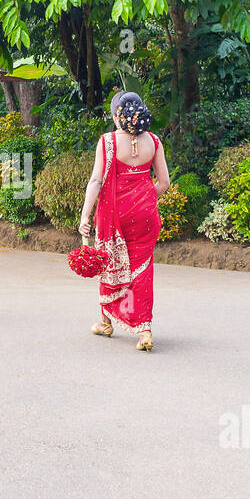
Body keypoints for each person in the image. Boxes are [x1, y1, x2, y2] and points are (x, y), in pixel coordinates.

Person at [77, 91, 170, 351]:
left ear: (116, 114)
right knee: (142, 270)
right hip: (146, 214)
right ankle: (145, 332)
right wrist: (146, 199)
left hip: (114, 213)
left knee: (111, 263)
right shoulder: (154, 140)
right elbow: (163, 182)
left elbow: (96, 181)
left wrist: (85, 215)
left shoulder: (107, 142)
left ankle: (106, 322)